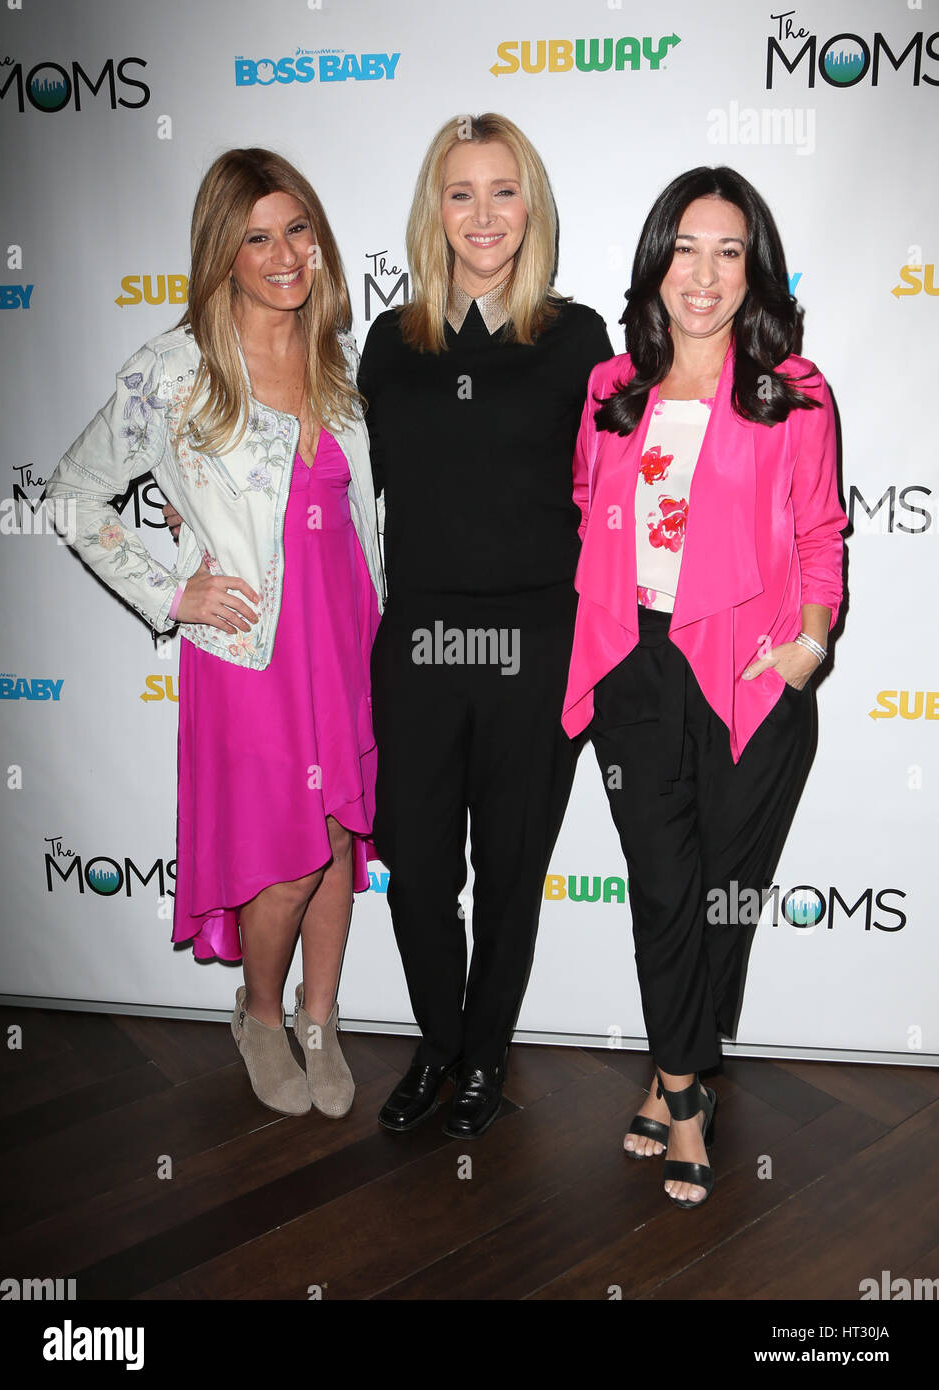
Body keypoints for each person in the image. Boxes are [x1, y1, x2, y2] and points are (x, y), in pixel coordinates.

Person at [44, 148, 385, 1119]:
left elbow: (363, 507)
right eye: (257, 237)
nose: (284, 254)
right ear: (222, 252)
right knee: (285, 857)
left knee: (336, 833)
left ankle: (322, 1018)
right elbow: (72, 495)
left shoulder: (337, 354)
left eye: (297, 229)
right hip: (251, 649)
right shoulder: (174, 364)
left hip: (344, 627)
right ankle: (261, 1013)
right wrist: (171, 590)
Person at [561, 166, 847, 1207]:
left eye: (729, 251)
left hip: (754, 672)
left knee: (723, 896)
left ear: (753, 270)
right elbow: (589, 509)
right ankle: (686, 1100)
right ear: (655, 260)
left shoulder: (793, 389)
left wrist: (808, 642)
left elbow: (821, 530)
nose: (704, 272)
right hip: (635, 665)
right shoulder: (610, 388)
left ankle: (665, 1063)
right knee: (665, 887)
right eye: (686, 247)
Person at [358, 113, 613, 1138]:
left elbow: (622, 493)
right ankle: (438, 1040)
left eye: (502, 190)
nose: (482, 214)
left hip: (535, 642)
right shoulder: (392, 341)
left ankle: (483, 1056)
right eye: (460, 192)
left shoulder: (577, 336)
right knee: (417, 868)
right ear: (435, 209)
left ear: (531, 205)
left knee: (509, 867)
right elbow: (328, 486)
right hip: (417, 641)